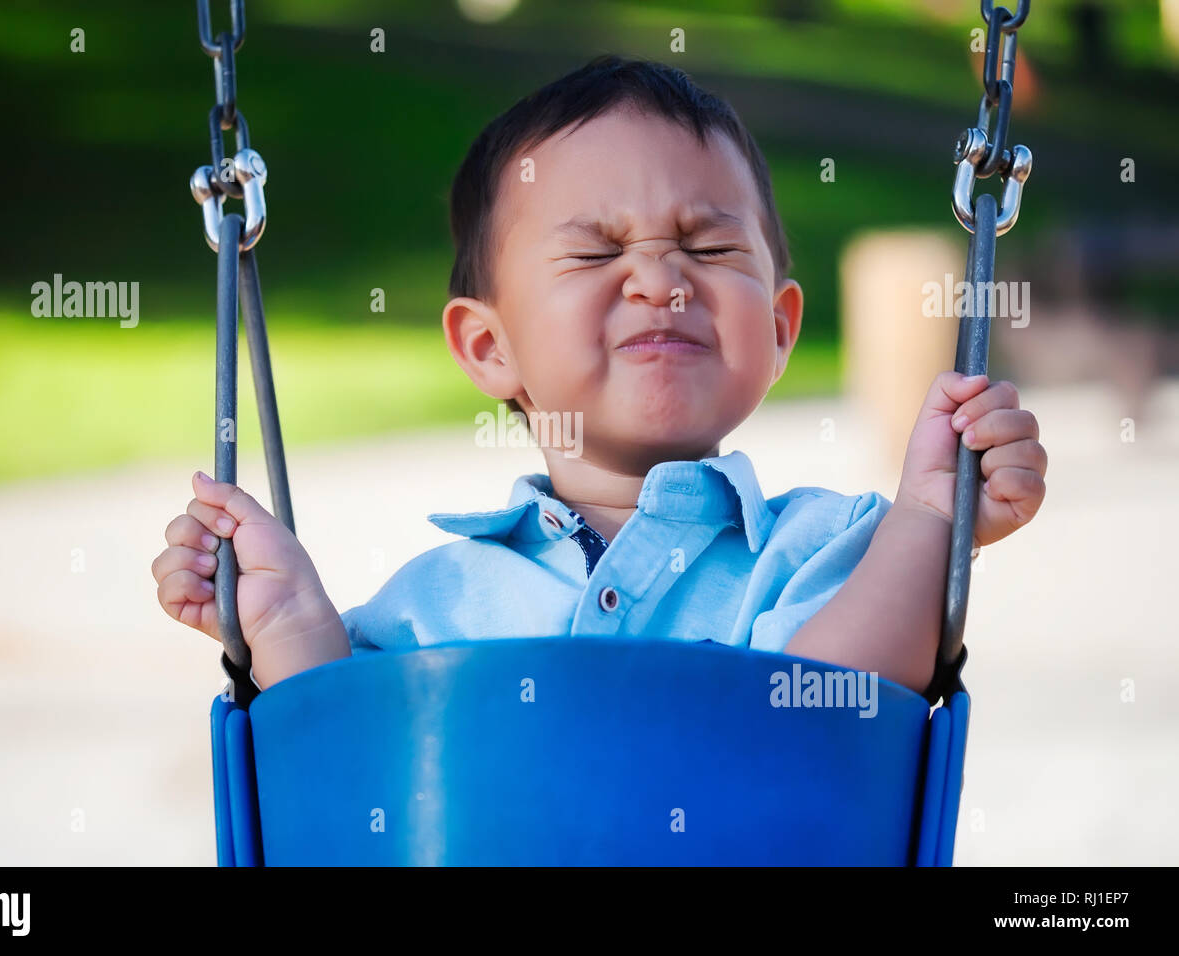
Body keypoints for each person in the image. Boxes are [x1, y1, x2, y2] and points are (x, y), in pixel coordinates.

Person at [151, 56, 1047, 699]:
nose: (662, 280)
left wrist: (932, 521)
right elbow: (358, 778)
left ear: (778, 331)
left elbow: (834, 711)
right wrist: (289, 626)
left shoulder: (831, 551)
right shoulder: (435, 605)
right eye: (594, 251)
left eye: (708, 246)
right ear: (489, 348)